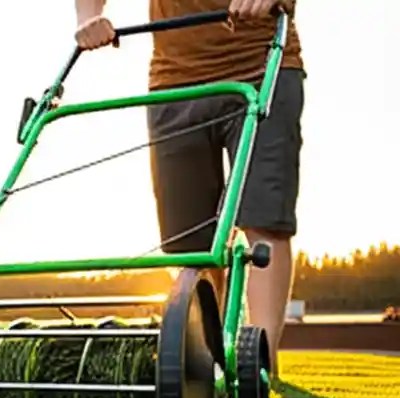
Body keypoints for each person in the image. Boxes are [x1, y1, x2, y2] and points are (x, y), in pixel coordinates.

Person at [73, 0, 303, 377]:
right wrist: (89, 18)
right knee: (191, 244)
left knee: (264, 218)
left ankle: (259, 365)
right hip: (174, 79)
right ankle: (211, 356)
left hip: (262, 65)